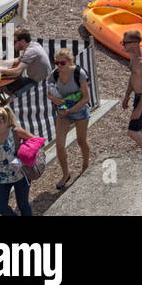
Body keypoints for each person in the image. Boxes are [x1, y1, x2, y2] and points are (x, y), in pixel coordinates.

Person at [47, 47, 92, 189]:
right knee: (59, 145)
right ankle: (65, 174)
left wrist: (72, 109)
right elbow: (49, 93)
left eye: (62, 63)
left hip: (79, 109)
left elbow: (86, 98)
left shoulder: (79, 73)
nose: (59, 66)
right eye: (57, 63)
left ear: (69, 61)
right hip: (63, 110)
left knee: (81, 140)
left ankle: (85, 165)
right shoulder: (54, 75)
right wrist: (53, 99)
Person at [0, 107, 36, 216]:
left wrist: (25, 153)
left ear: (1, 121)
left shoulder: (15, 132)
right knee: (1, 207)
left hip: (20, 174)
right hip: (0, 177)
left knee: (23, 205)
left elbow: (34, 141)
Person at [120, 29, 142, 155]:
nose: (122, 45)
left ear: (134, 44)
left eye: (125, 43)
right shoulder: (133, 55)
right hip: (139, 95)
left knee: (133, 132)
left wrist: (139, 108)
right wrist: (127, 96)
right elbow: (133, 76)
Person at [0, 28, 51, 94]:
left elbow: (17, 72)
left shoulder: (31, 51)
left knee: (11, 97)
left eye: (14, 42)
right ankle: (9, 100)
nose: (13, 45)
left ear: (22, 41)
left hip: (40, 84)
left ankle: (12, 100)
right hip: (33, 80)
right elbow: (17, 60)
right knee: (0, 86)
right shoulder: (33, 45)